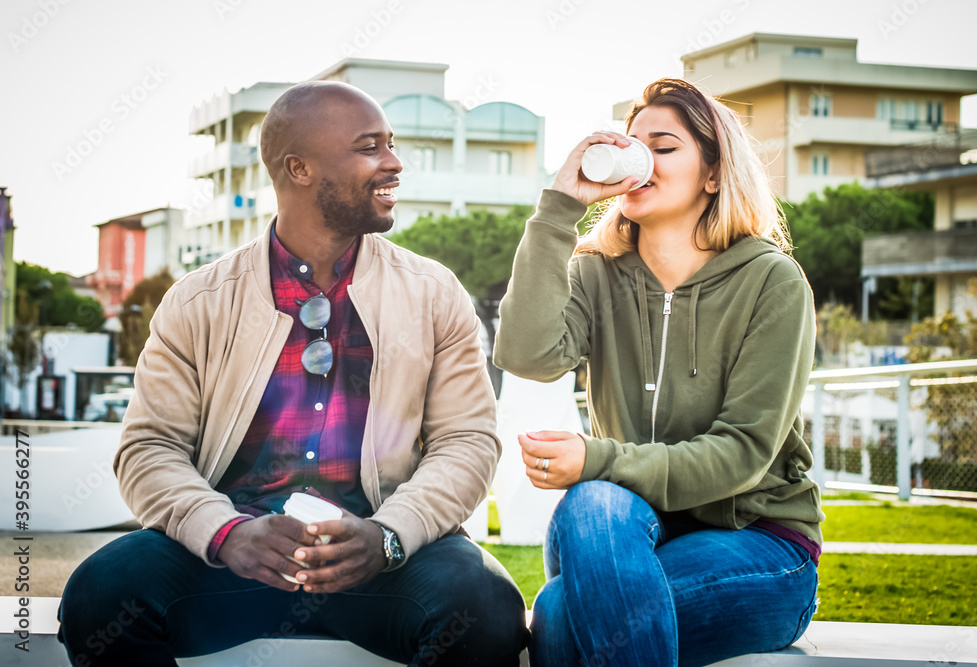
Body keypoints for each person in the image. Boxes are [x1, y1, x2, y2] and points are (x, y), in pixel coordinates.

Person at [58, 81, 528, 666]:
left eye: (390, 144)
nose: (394, 162)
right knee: (99, 595)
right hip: (231, 560)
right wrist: (227, 535)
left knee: (484, 606)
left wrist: (386, 537)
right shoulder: (198, 301)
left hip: (381, 562)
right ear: (299, 168)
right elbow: (150, 448)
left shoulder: (434, 294)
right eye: (369, 147)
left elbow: (467, 442)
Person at [493, 78, 823, 666]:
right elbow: (526, 354)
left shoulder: (771, 282)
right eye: (629, 144)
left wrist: (597, 458)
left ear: (714, 172)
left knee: (560, 618)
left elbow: (743, 452)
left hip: (759, 543)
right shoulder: (596, 275)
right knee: (592, 504)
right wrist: (559, 207)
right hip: (624, 534)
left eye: (663, 147)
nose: (637, 159)